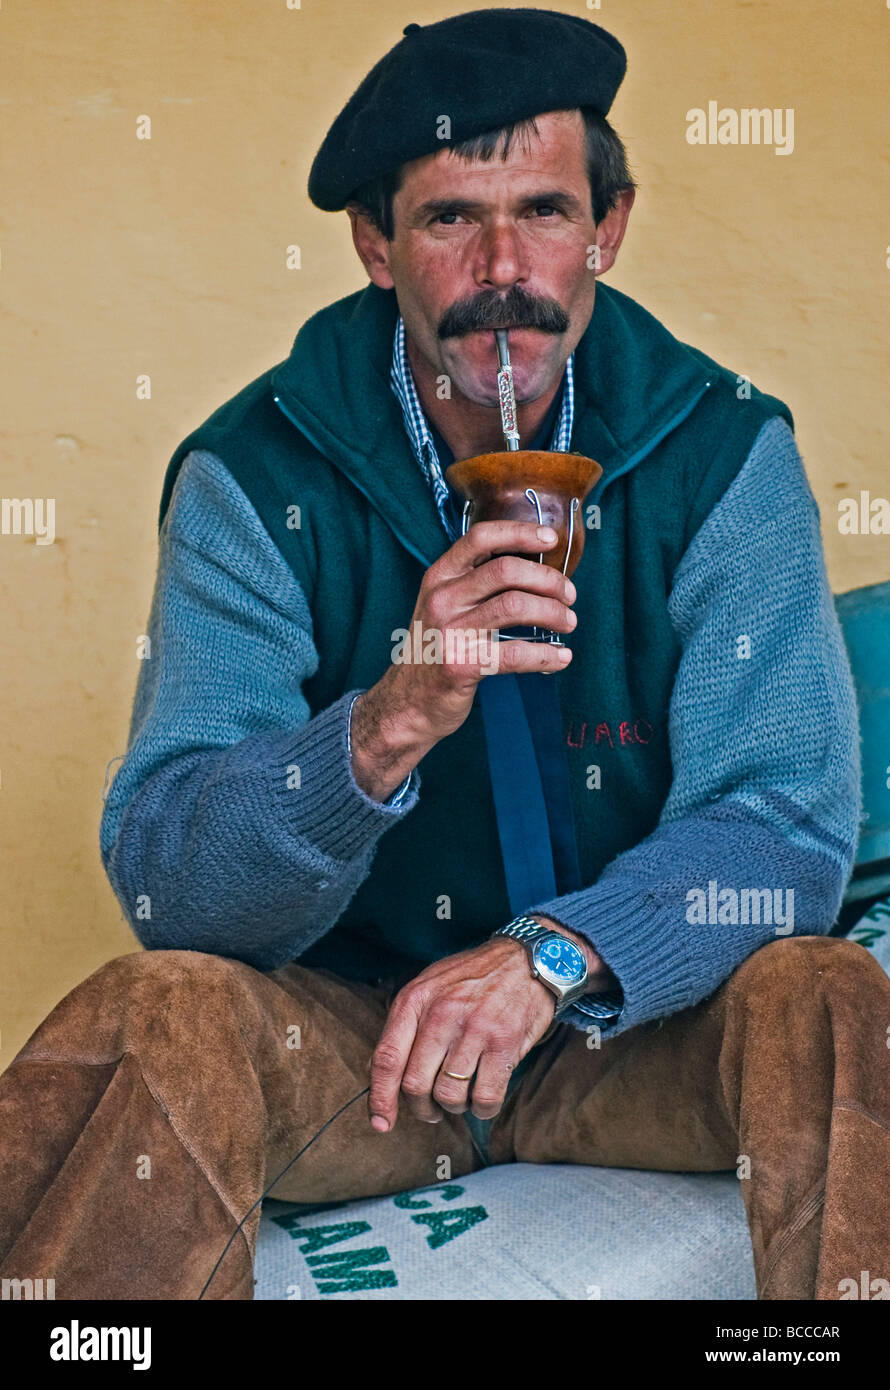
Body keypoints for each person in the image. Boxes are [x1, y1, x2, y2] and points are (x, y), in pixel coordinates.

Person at [2, 8, 887, 1302]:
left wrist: (554, 954)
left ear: (609, 226)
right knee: (155, 1012)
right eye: (446, 220)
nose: (502, 267)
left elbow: (785, 827)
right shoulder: (254, 475)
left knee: (823, 991)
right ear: (375, 245)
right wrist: (382, 727)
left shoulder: (722, 453)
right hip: (365, 1050)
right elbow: (169, 886)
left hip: (629, 1030)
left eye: (541, 209)